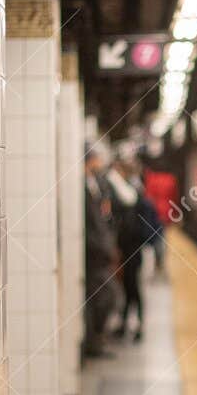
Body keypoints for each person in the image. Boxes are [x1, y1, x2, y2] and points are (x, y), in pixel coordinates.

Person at [109, 160, 161, 342]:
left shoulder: (132, 197)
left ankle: (136, 325)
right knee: (129, 289)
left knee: (133, 289)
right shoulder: (137, 195)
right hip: (133, 250)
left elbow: (133, 227)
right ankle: (128, 324)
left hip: (134, 251)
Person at [82, 147, 119, 359]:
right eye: (96, 159)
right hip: (94, 254)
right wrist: (101, 247)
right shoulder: (82, 187)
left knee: (106, 296)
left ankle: (97, 339)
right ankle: (94, 341)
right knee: (106, 296)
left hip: (101, 252)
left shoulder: (96, 184)